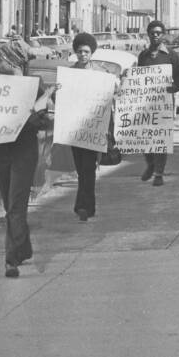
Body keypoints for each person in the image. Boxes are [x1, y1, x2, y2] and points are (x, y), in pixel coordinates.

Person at [0, 25, 51, 278]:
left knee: (16, 205)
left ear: (15, 61)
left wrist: (29, 117)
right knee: (9, 204)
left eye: (2, 57)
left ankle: (11, 259)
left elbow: (45, 120)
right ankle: (24, 248)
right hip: (0, 149)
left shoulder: (34, 86)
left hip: (23, 150)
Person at [137, 20, 179, 186]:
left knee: (161, 139)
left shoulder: (171, 55)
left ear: (163, 35)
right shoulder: (143, 56)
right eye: (152, 33)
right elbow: (138, 79)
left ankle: (159, 173)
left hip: (164, 103)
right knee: (145, 138)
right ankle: (150, 163)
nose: (155, 35)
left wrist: (173, 88)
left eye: (158, 33)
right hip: (146, 104)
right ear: (148, 35)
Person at [68, 32, 111, 220]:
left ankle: (85, 207)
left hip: (93, 128)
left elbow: (110, 94)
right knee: (81, 169)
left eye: (86, 51)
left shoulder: (100, 73)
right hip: (75, 128)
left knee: (88, 168)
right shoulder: (70, 73)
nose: (83, 55)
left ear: (92, 52)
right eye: (80, 51)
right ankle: (84, 206)